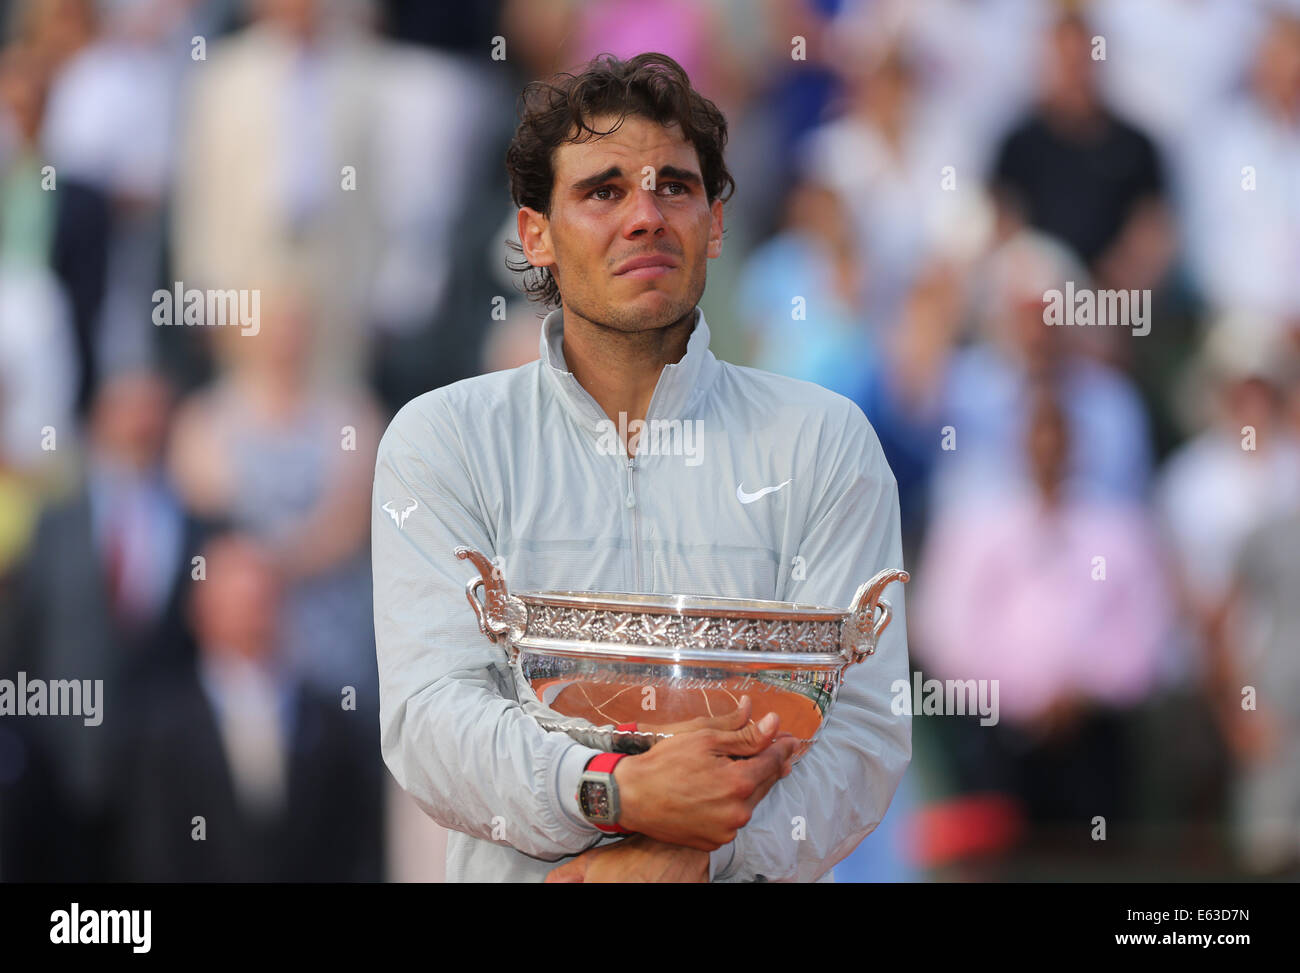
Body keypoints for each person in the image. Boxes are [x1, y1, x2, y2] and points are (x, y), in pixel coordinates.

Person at [372, 52, 910, 882]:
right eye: (604, 190)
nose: (647, 215)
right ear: (535, 235)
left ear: (716, 224)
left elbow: (865, 733)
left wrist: (693, 858)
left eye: (676, 186)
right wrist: (614, 795)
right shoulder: (444, 439)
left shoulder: (824, 442)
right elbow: (431, 718)